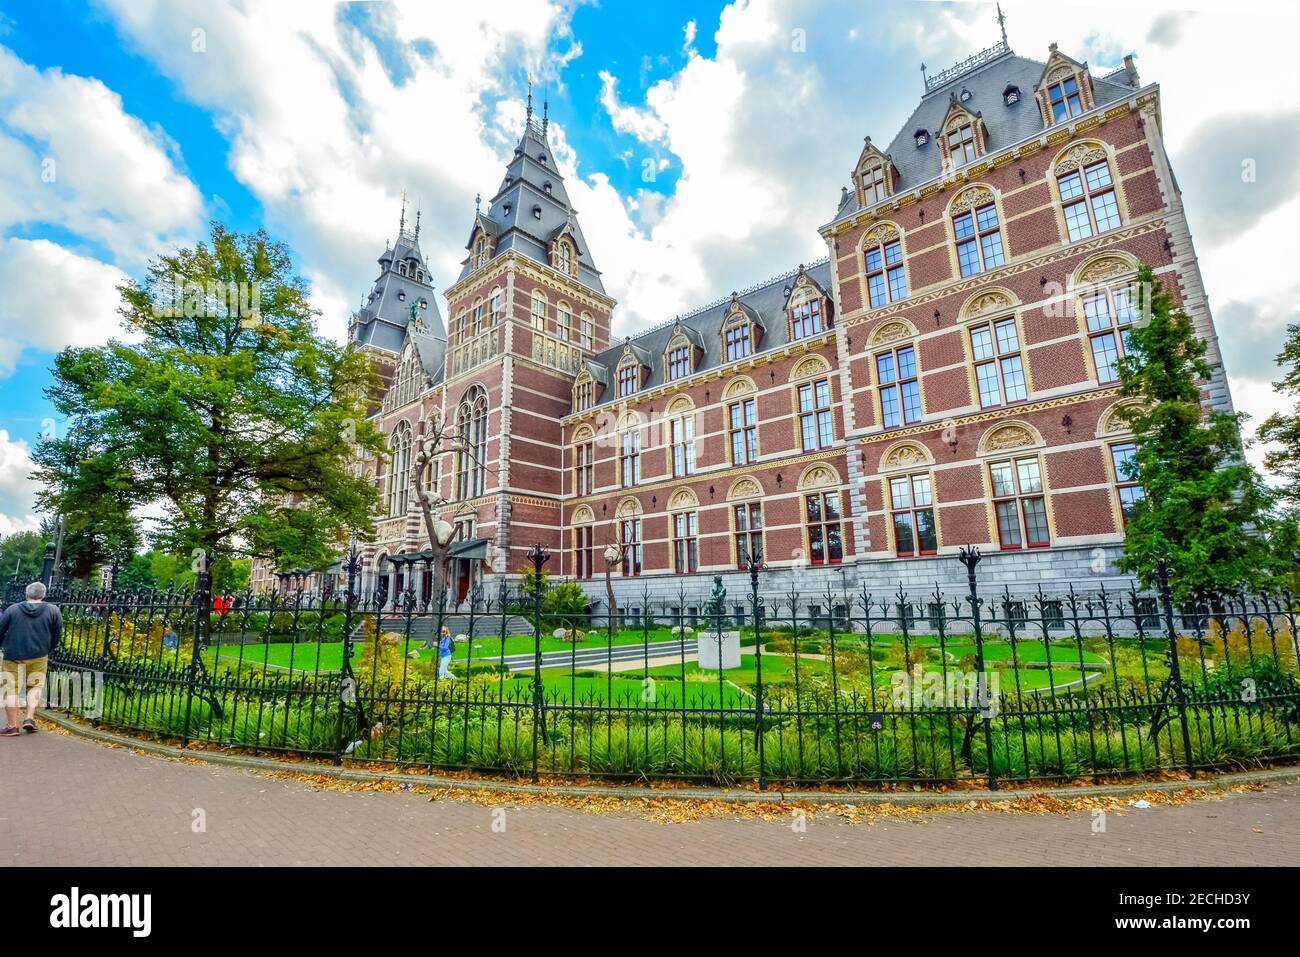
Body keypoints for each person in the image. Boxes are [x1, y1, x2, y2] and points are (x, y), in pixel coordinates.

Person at [0, 581, 64, 736]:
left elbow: (1, 630)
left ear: (26, 594)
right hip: (39, 654)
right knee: (35, 687)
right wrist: (48, 648)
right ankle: (29, 718)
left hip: (13, 655)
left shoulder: (13, 610)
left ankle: (12, 726)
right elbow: (57, 633)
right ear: (43, 595)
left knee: (11, 689)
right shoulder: (53, 611)